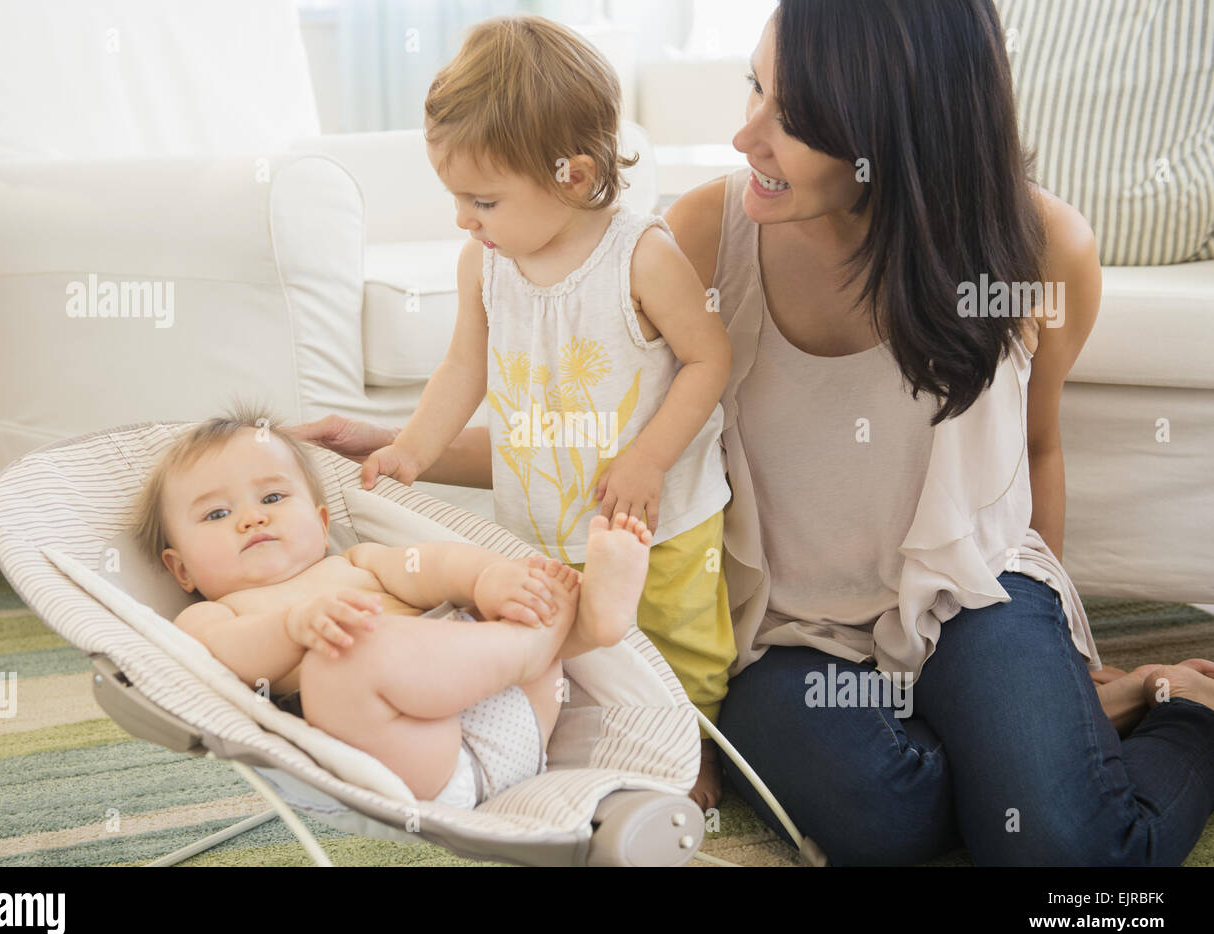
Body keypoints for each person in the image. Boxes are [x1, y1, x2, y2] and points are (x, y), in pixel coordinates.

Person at [296, 0, 1214, 864]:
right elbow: (600, 448)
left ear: (896, 128)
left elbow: (1038, 447)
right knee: (878, 826)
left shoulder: (1042, 248)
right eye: (754, 85)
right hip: (788, 632)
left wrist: (1055, 663)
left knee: (1063, 854)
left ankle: (1180, 708)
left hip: (970, 598)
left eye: (793, 113)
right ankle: (1009, 742)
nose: (745, 135)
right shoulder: (698, 236)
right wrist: (399, 446)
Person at [342, 14, 736, 809]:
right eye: (455, 197)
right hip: (545, 513)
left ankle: (694, 755)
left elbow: (710, 358)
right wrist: (411, 451)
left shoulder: (641, 256)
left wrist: (648, 458)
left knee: (675, 645)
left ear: (573, 174)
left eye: (481, 199)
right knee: (567, 638)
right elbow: (464, 367)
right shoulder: (482, 264)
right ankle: (575, 752)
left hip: (654, 520)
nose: (463, 218)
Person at [130, 405, 654, 809]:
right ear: (181, 570)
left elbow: (433, 563)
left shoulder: (359, 561)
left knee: (516, 592)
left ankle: (597, 621)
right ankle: (546, 638)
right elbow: (231, 654)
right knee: (341, 656)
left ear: (319, 519)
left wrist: (489, 578)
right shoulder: (210, 616)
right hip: (422, 763)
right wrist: (294, 626)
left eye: (271, 499)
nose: (251, 520)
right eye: (217, 513)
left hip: (515, 708)